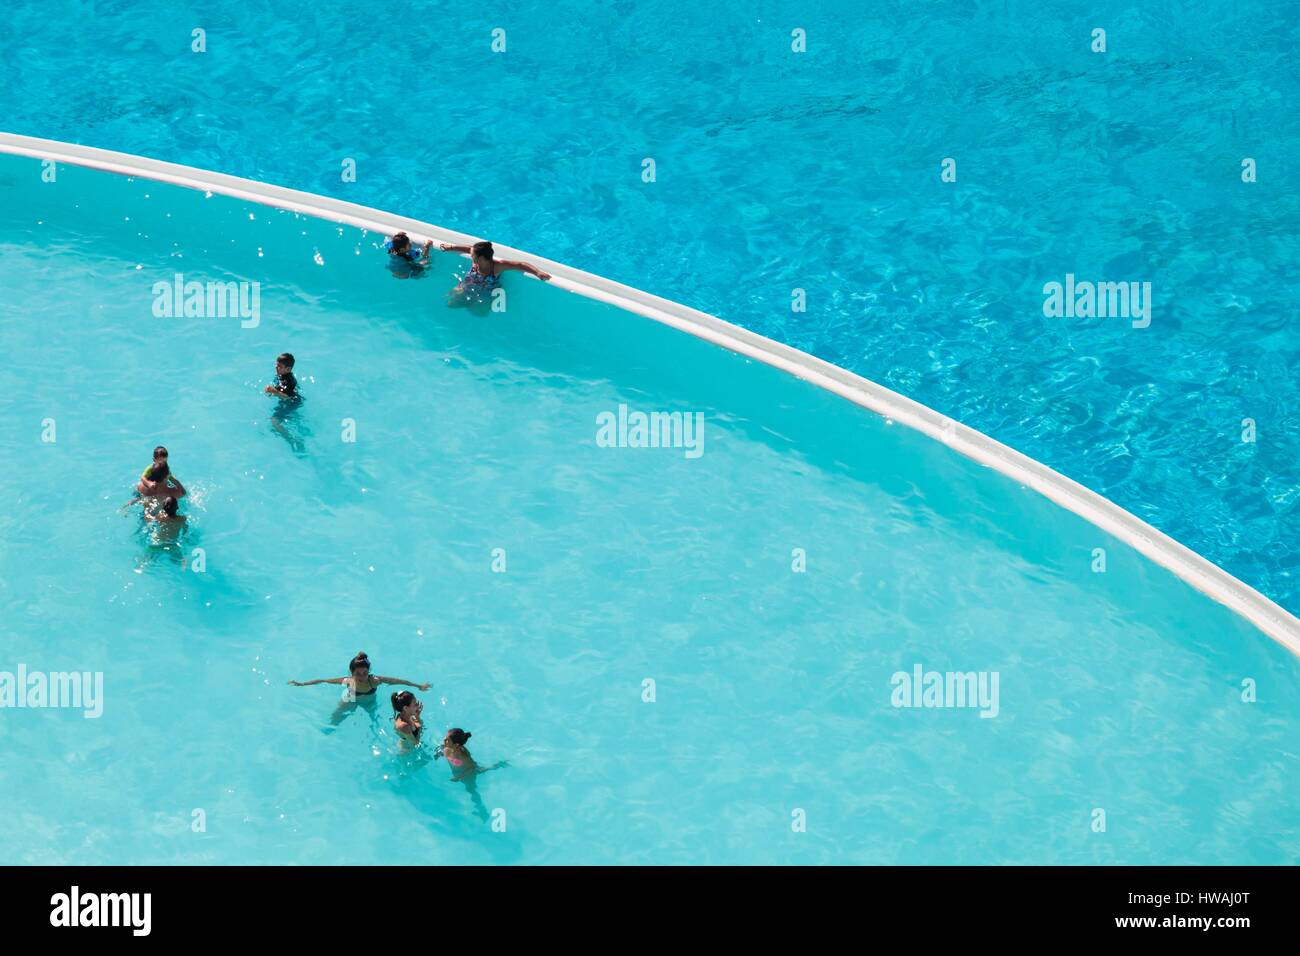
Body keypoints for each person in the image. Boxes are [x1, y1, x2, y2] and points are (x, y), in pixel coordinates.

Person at [289, 653, 431, 730]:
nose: (362, 676)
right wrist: (301, 684)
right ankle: (329, 730)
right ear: (352, 673)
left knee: (373, 722)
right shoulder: (348, 681)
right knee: (336, 717)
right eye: (358, 673)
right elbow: (324, 680)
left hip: (369, 702)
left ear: (369, 671)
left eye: (365, 672)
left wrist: (418, 686)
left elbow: (397, 681)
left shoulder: (374, 680)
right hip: (350, 699)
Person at [438, 240, 550, 304]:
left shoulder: (497, 266)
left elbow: (520, 265)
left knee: (480, 314)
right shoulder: (476, 259)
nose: (470, 255)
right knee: (449, 303)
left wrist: (537, 272)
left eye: (472, 254)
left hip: (485, 293)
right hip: (466, 285)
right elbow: (469, 249)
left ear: (481, 258)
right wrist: (451, 247)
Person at [435, 727, 507, 821]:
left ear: (456, 745)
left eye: (447, 740)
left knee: (472, 791)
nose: (444, 740)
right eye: (445, 737)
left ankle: (482, 811)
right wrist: (438, 753)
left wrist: (459, 777)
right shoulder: (450, 747)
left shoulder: (461, 755)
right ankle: (498, 765)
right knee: (482, 769)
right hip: (466, 768)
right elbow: (443, 748)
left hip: (468, 774)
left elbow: (471, 769)